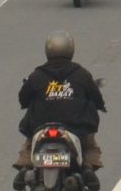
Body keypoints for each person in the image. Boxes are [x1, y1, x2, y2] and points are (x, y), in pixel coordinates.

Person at [15, 32, 105, 182]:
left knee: (29, 144)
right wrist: (100, 105)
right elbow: (95, 96)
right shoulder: (81, 74)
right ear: (70, 50)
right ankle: (88, 167)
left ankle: (24, 166)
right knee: (89, 144)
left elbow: (23, 99)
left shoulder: (37, 75)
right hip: (75, 126)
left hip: (40, 126)